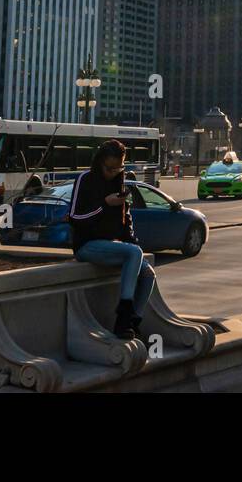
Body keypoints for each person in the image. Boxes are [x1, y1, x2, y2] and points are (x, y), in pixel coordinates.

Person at [70, 139, 155, 339]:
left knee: (148, 273)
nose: (113, 173)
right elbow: (74, 217)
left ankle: (133, 321)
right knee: (134, 252)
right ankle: (123, 317)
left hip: (110, 245)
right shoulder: (85, 179)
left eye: (119, 168)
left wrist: (131, 240)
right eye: (110, 168)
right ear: (100, 162)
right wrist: (104, 204)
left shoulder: (118, 180)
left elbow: (125, 219)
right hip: (86, 245)